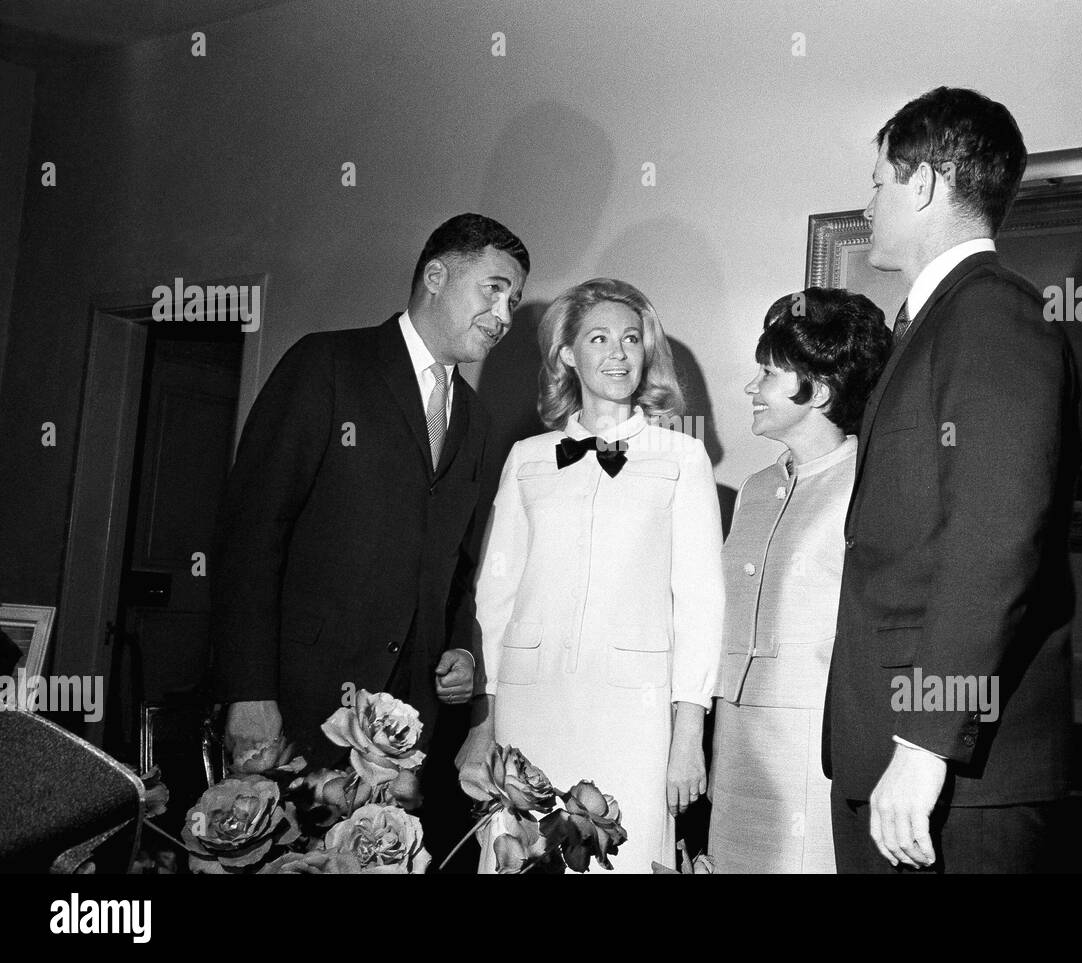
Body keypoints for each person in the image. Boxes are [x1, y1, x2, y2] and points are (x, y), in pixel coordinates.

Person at [824, 87, 1082, 873]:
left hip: (946, 778)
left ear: (926, 184)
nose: (868, 201)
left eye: (879, 181)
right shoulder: (941, 320)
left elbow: (994, 542)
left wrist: (925, 744)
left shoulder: (993, 316)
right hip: (908, 765)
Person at [209, 214, 529, 853]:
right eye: (493, 289)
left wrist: (463, 652)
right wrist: (249, 692)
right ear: (435, 276)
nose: (503, 314)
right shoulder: (326, 363)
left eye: (514, 301)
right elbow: (251, 535)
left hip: (409, 732)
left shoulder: (477, 418)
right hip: (299, 708)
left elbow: (461, 566)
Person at [467, 278, 724, 873]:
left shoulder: (683, 457)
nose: (618, 352)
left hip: (634, 712)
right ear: (565, 354)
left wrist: (688, 732)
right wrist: (484, 719)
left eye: (632, 339)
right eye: (599, 338)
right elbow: (495, 597)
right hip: (528, 708)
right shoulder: (527, 458)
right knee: (520, 859)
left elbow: (702, 602)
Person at [709, 288, 890, 874]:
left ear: (820, 391)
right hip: (737, 735)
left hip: (815, 741)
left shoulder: (869, 483)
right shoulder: (757, 487)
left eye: (767, 374)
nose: (750, 389)